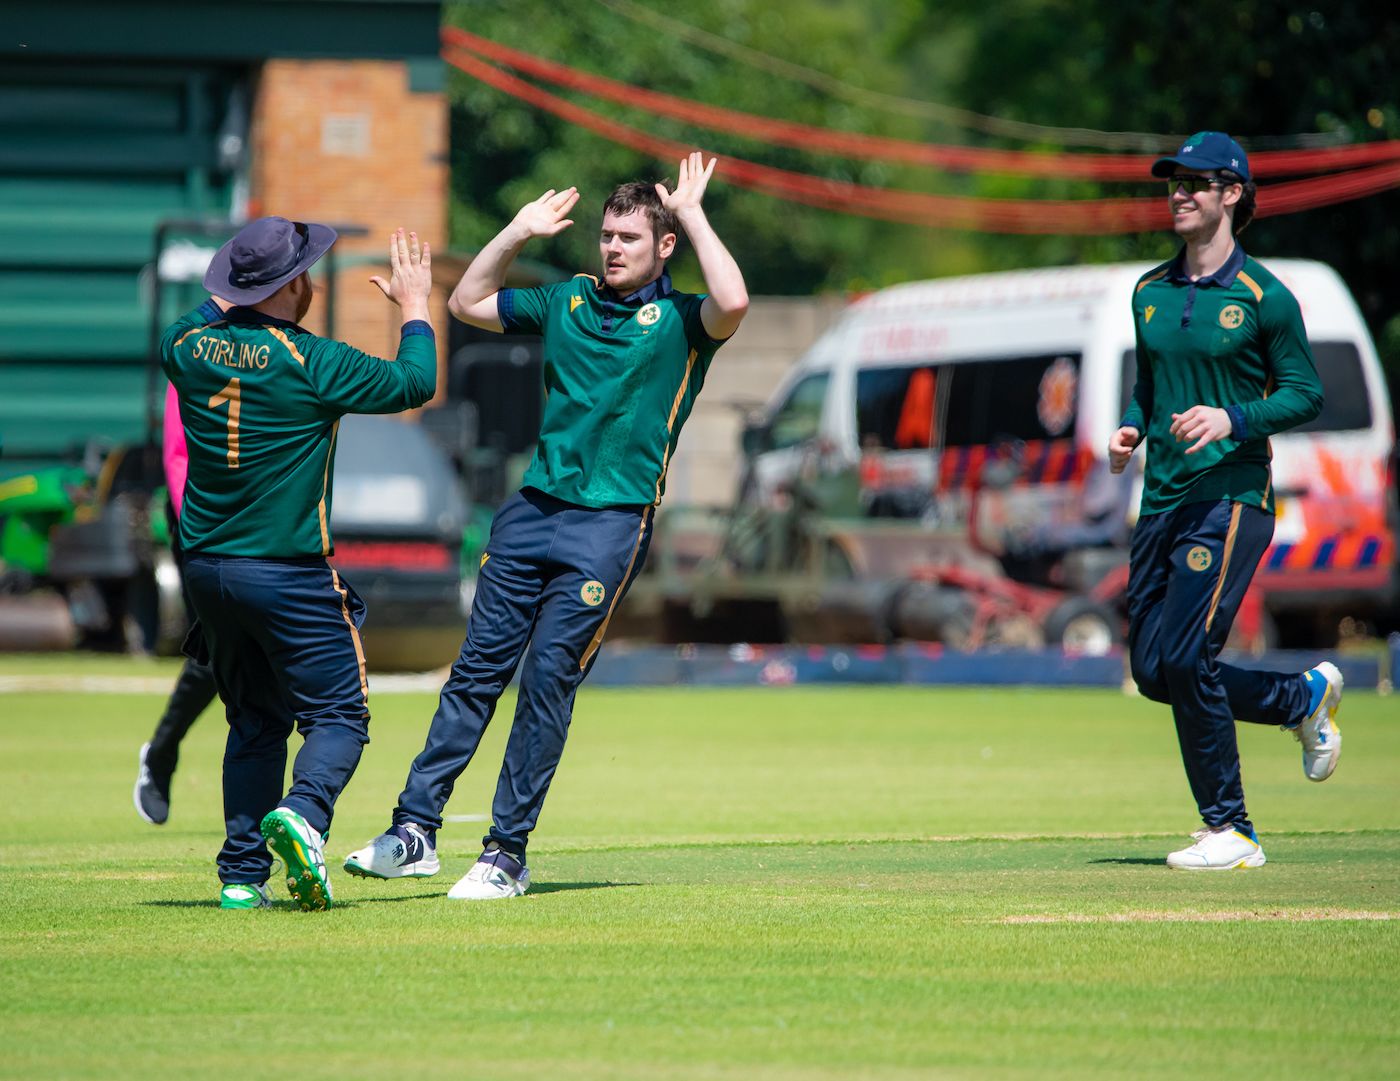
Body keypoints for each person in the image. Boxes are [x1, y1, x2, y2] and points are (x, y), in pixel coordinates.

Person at [345, 152, 749, 900]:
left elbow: (735, 299)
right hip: (532, 514)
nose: (613, 247)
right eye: (606, 235)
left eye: (629, 237)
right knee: (474, 674)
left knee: (547, 682)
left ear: (662, 247)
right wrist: (518, 230)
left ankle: (505, 854)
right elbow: (467, 302)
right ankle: (414, 831)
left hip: (610, 523)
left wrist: (691, 214)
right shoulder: (565, 299)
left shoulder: (684, 321)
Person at [161, 217, 436, 909]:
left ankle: (241, 877)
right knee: (341, 715)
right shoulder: (314, 360)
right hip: (285, 569)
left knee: (253, 721)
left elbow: (202, 313)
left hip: (207, 572)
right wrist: (415, 306)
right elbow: (416, 381)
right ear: (292, 283)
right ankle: (306, 816)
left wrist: (237, 289)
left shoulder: (187, 345)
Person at [1111, 131, 1342, 871]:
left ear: (1232, 194)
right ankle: (1299, 700)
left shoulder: (1264, 299)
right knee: (1154, 671)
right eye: (1173, 182)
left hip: (1233, 495)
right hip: (1162, 499)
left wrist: (1232, 418)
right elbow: (1152, 387)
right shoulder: (1148, 292)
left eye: (1196, 183)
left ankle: (1231, 830)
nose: (1179, 193)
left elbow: (1306, 393)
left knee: (1186, 653)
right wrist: (1131, 428)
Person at [132, 383, 220, 825]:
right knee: (215, 654)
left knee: (255, 659)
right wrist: (198, 526)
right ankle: (161, 754)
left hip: (258, 520)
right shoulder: (196, 345)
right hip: (200, 521)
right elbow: (177, 452)